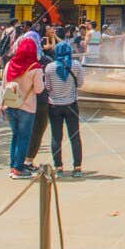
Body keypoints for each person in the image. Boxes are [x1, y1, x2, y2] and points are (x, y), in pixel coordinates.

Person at [0, 37, 42, 179]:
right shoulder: (35, 67)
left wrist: (2, 104)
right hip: (27, 107)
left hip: (10, 105)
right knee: (24, 138)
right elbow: (39, 89)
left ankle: (13, 167)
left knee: (15, 136)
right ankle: (19, 169)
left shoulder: (9, 64)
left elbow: (4, 85)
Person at [44, 39, 85, 176]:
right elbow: (80, 84)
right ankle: (77, 168)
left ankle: (58, 167)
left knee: (56, 137)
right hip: (71, 104)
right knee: (75, 136)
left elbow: (47, 87)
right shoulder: (76, 65)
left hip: (54, 106)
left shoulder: (49, 67)